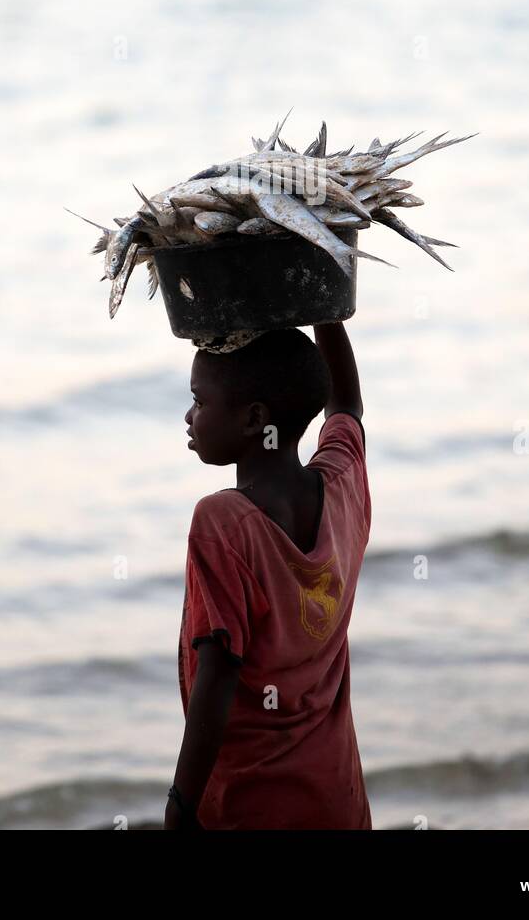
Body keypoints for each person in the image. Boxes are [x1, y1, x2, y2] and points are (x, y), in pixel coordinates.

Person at [165, 321, 372, 830]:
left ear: (255, 417)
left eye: (200, 400)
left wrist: (181, 804)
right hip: (338, 799)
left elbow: (217, 674)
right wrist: (324, 306)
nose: (189, 417)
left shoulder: (222, 524)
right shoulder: (343, 484)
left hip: (252, 807)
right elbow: (347, 406)